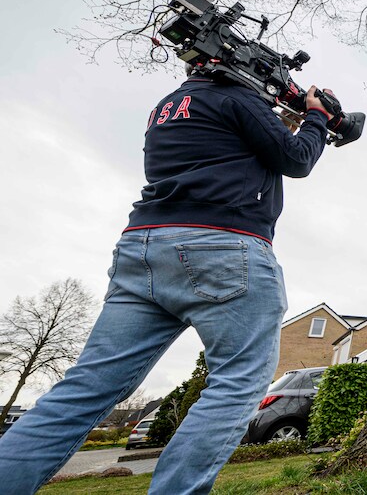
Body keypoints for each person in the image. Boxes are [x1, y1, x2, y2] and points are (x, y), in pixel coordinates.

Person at [0, 71, 334, 494]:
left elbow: (228, 153)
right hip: (221, 246)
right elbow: (295, 159)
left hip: (142, 248)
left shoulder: (166, 108)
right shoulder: (237, 97)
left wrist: (277, 122)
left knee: (85, 388)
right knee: (238, 382)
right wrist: (317, 117)